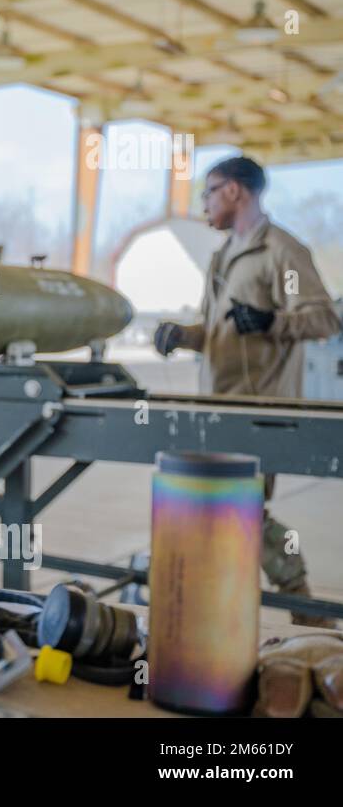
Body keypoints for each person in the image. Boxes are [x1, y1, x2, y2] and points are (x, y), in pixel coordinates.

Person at [155, 156, 341, 627]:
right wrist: (183, 335)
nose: (204, 203)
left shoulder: (282, 251)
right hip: (216, 405)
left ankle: (299, 599)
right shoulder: (221, 256)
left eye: (209, 192)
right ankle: (226, 614)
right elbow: (216, 330)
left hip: (261, 408)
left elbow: (325, 318)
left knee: (239, 513)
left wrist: (272, 321)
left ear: (235, 191)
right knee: (218, 513)